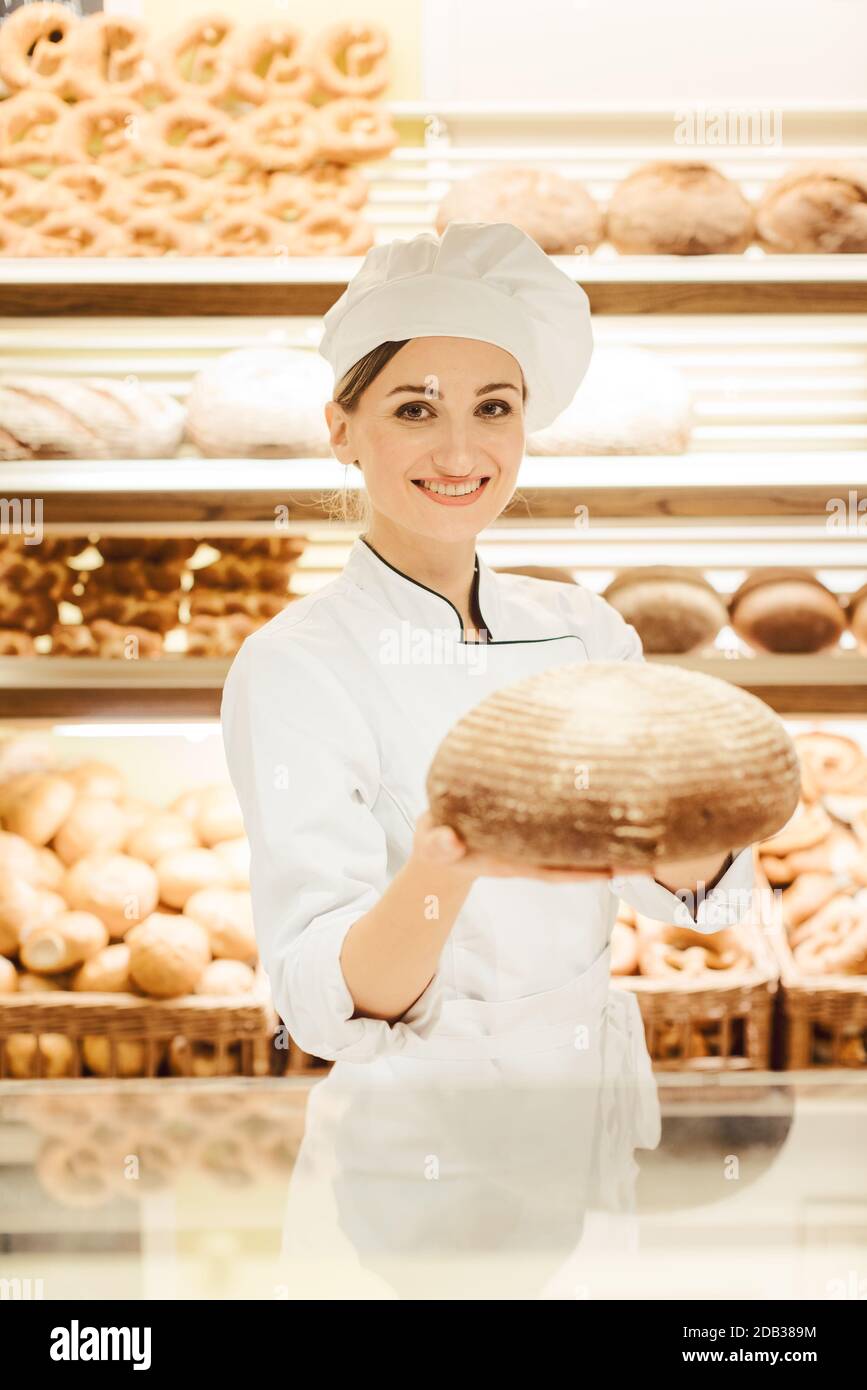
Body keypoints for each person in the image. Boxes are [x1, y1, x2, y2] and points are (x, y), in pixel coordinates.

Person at [221, 221, 756, 1299]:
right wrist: (443, 866)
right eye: (414, 407)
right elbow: (323, 1000)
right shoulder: (295, 664)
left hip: (585, 1136)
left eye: (493, 408)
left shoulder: (584, 628)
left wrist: (706, 820)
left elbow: (682, 891)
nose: (461, 452)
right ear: (342, 428)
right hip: (408, 1154)